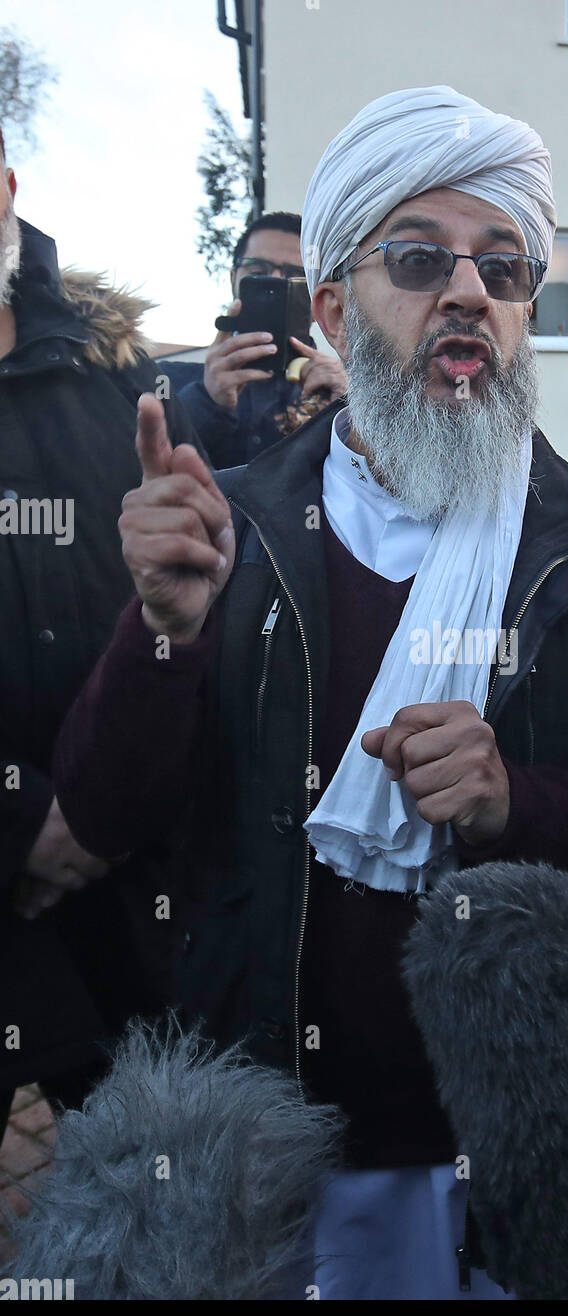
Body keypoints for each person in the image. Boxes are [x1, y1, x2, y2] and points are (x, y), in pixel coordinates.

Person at [53, 87, 568, 1299]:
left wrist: (517, 802)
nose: (468, 293)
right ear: (331, 305)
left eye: (504, 267)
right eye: (418, 257)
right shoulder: (237, 522)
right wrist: (162, 634)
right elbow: (101, 819)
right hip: (264, 1169)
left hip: (523, 1166)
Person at [0, 125, 200, 1141]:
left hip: (124, 899)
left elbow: (189, 619)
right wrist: (21, 821)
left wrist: (96, 811)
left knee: (163, 1215)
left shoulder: (119, 381)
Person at [167, 211, 347, 469]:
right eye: (257, 269)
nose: (274, 280)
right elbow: (141, 474)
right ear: (233, 279)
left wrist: (350, 411)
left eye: (294, 274)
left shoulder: (346, 391)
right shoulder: (171, 382)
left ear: (318, 295)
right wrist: (207, 401)